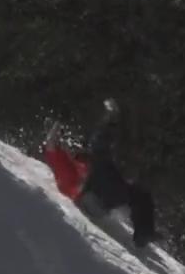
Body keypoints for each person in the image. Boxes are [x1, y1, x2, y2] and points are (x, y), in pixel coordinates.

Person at [41, 99, 157, 247]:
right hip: (87, 198)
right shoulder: (61, 161)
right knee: (99, 152)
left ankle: (144, 235)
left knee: (140, 193)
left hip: (100, 199)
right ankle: (111, 119)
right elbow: (50, 143)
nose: (74, 148)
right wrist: (58, 122)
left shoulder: (84, 163)